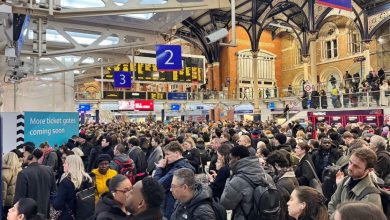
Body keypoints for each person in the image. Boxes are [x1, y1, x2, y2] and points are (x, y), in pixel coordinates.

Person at [328, 148, 382, 219]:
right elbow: (332, 204)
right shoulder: (345, 180)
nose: (350, 168)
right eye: (350, 162)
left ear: (369, 170)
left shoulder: (371, 197)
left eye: (356, 166)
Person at [220, 146, 271, 220]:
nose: (229, 162)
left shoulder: (238, 180)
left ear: (237, 158)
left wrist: (229, 179)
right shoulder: (266, 176)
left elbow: (225, 204)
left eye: (230, 159)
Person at [153, 141, 195, 219]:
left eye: (168, 154)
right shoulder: (174, 165)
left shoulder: (180, 168)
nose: (165, 157)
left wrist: (159, 168)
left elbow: (157, 185)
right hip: (171, 205)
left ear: (177, 153)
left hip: (171, 206)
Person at [14, 146, 56, 219]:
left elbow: (19, 198)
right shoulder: (49, 170)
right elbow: (54, 191)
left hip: (29, 215)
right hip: (45, 213)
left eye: (24, 156)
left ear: (30, 157)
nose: (22, 158)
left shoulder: (23, 173)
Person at [52, 155, 94, 220]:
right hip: (85, 214)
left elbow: (57, 205)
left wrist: (54, 197)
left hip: (69, 215)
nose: (63, 165)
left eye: (65, 163)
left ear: (71, 165)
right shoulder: (88, 179)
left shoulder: (65, 182)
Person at [2, 152, 22, 218]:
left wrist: (2, 205)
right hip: (17, 202)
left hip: (7, 203)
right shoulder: (21, 170)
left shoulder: (4, 172)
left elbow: (3, 191)